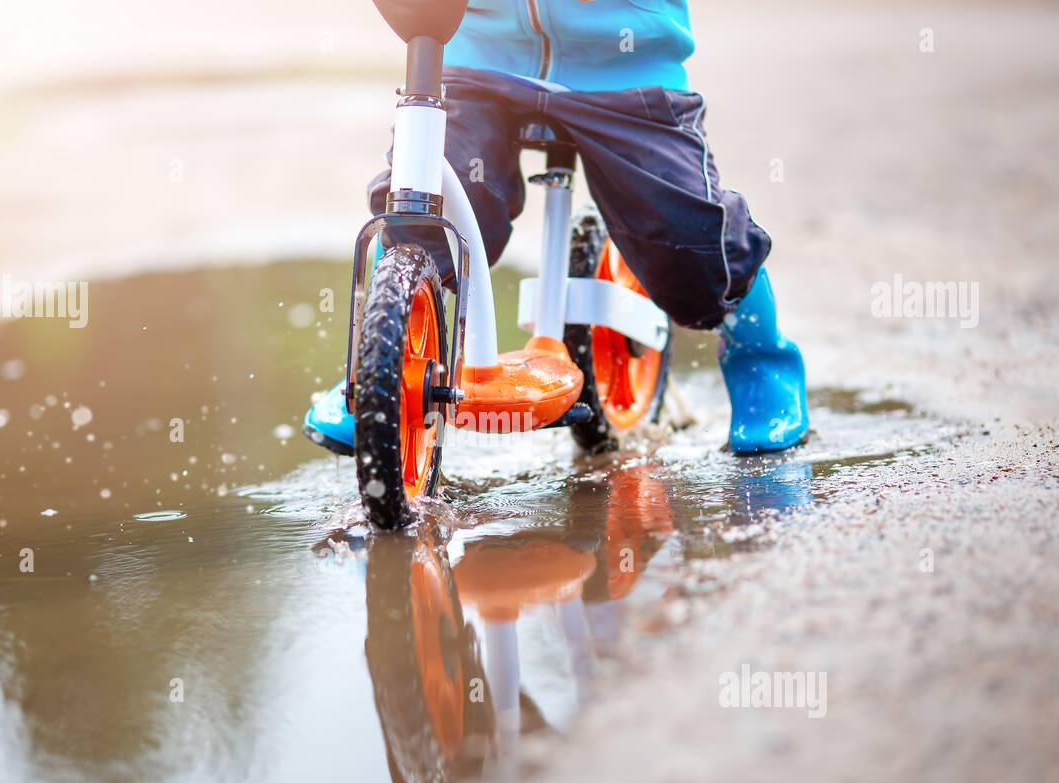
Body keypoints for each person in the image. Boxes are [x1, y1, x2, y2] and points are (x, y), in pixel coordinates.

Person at [308, 0, 808, 454]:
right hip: (476, 55)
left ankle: (761, 358)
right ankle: (380, 373)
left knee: (688, 241)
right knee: (425, 211)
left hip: (625, 61)